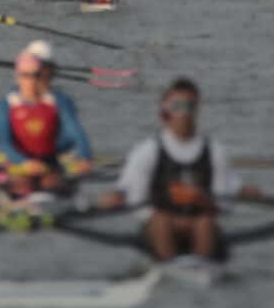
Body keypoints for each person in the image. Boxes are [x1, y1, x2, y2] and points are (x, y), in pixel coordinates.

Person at [100, 78, 261, 262]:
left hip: (199, 224)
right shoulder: (147, 151)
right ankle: (168, 267)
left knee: (205, 222)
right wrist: (114, 197)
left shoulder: (215, 152)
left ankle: (201, 269)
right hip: (161, 225)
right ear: (166, 110)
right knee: (161, 220)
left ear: (198, 109)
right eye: (177, 106)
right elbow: (134, 201)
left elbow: (224, 206)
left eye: (190, 106)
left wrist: (202, 200)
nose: (184, 113)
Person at [0, 41, 94, 202]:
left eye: (36, 75)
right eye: (25, 76)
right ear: (18, 76)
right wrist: (23, 162)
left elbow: (75, 131)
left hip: (49, 163)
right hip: (17, 164)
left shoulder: (58, 101)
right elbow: (3, 141)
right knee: (21, 184)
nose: (31, 81)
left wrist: (85, 157)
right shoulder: (9, 103)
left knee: (51, 182)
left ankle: (51, 195)